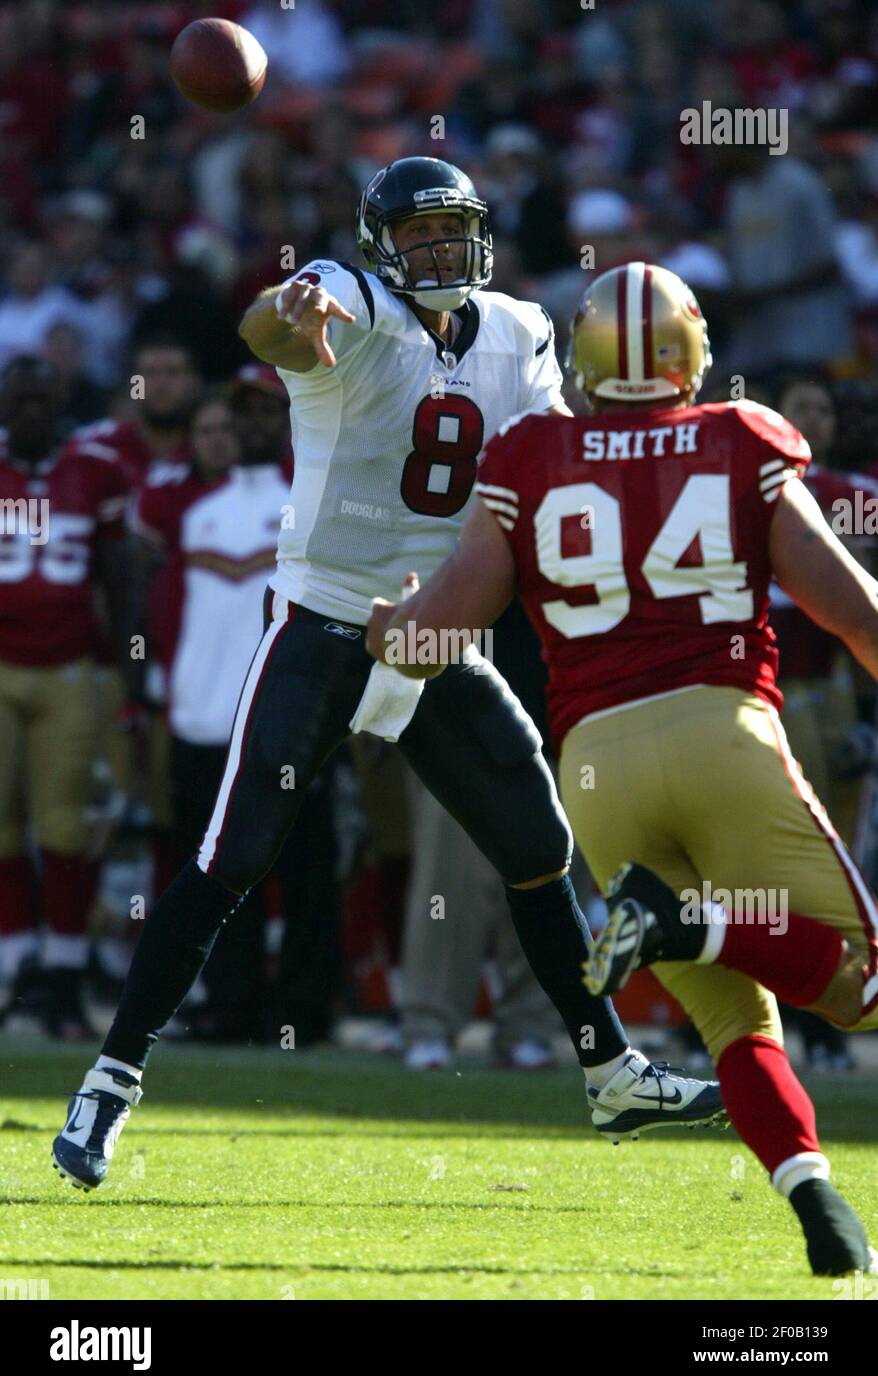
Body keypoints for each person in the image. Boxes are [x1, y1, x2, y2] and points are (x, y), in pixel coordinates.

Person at [51, 159, 722, 1192]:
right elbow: (272, 326)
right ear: (378, 246)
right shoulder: (352, 303)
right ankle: (108, 1079)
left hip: (434, 629)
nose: (440, 251)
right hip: (323, 616)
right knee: (232, 857)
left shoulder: (516, 330)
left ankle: (608, 1071)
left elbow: (548, 451)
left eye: (453, 229)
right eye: (417, 234)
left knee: (539, 849)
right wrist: (290, 315)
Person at [365, 261, 877, 1277]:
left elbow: (436, 639)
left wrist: (390, 631)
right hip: (720, 730)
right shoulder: (739, 437)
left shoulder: (530, 455)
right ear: (691, 353)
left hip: (593, 765)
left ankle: (817, 1202)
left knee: (736, 1018)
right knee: (860, 985)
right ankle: (685, 918)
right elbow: (849, 610)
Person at [0, 357, 128, 1038]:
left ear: (57, 401)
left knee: (65, 830)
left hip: (72, 668)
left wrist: (135, 675)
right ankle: (21, 970)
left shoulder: (95, 470)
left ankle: (64, 975)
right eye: (16, 399)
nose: (27, 412)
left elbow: (117, 579)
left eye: (38, 398)